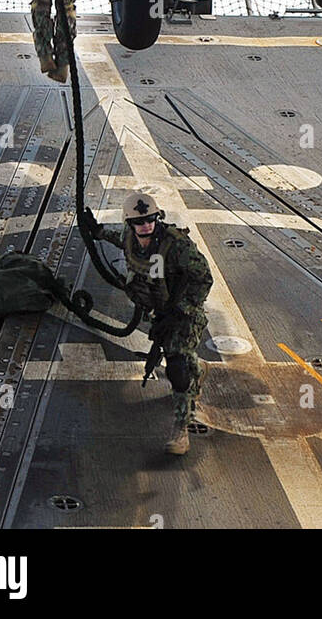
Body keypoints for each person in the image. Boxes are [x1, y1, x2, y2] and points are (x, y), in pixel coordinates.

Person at [85, 191, 214, 455]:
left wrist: (183, 308)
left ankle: (181, 429)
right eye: (140, 221)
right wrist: (97, 231)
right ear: (130, 224)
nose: (146, 225)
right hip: (159, 312)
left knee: (177, 370)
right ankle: (196, 370)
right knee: (180, 360)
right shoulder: (130, 237)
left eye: (151, 219)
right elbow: (120, 240)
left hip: (183, 315)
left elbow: (204, 278)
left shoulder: (176, 246)